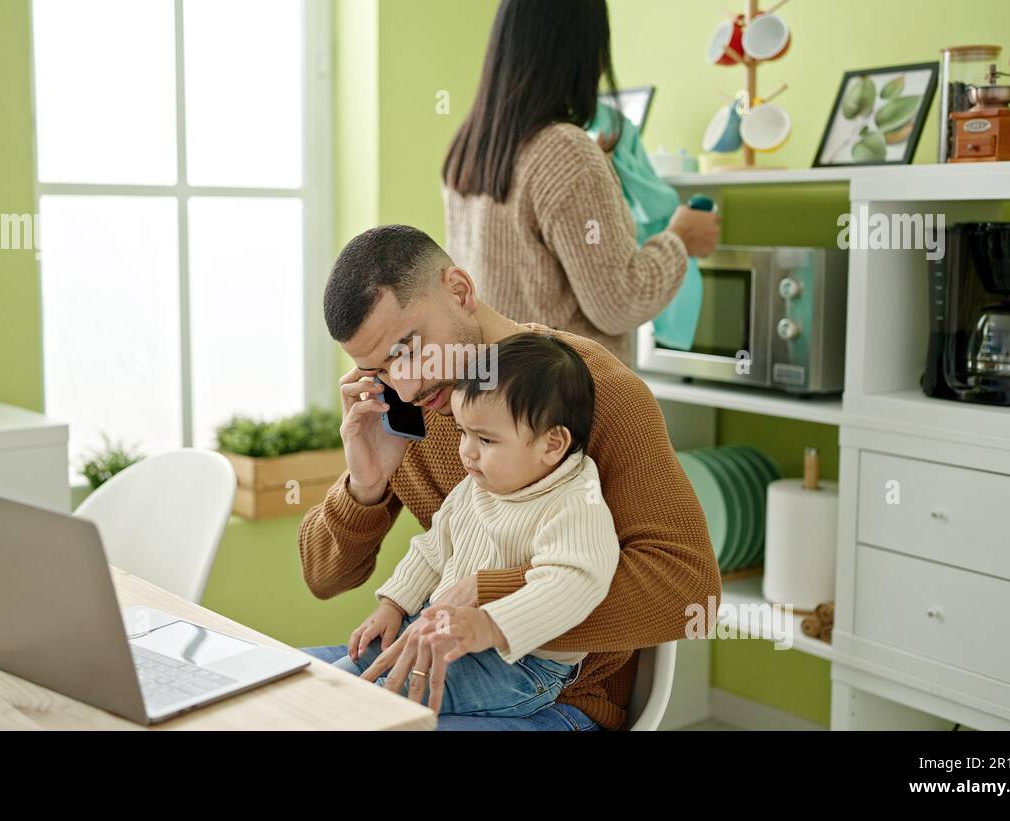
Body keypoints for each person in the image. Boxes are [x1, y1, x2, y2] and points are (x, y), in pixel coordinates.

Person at [298, 224, 720, 731]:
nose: (405, 386)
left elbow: (691, 589)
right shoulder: (408, 410)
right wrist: (365, 486)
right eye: (381, 369)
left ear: (460, 290)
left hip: (556, 699)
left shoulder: (597, 390)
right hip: (441, 652)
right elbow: (325, 577)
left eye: (409, 348)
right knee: (267, 699)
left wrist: (487, 593)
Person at [330, 333, 619, 718]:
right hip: (446, 631)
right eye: (464, 433)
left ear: (552, 445)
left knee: (375, 703)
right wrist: (394, 605)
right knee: (337, 681)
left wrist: (488, 624)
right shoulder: (477, 484)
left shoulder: (576, 502)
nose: (466, 450)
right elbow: (434, 550)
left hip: (521, 665)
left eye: (484, 438)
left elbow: (573, 582)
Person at [441, 0, 721, 363]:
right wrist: (679, 240)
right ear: (586, 52)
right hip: (566, 399)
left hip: (496, 394)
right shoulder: (565, 150)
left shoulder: (468, 148)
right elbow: (619, 303)